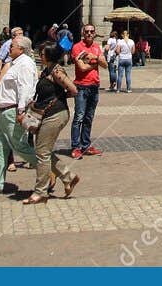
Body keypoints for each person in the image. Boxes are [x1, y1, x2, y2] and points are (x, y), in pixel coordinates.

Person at [23, 42, 81, 205]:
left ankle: (40, 192)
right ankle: (69, 177)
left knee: (42, 153)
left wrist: (60, 97)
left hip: (56, 114)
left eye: (41, 54)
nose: (39, 56)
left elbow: (74, 90)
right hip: (47, 114)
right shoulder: (47, 70)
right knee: (43, 151)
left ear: (48, 55)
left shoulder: (56, 70)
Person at [0, 36, 39, 195]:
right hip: (3, 112)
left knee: (20, 147)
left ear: (21, 49)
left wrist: (20, 111)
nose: (8, 48)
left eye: (12, 46)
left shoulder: (25, 64)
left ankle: (48, 169)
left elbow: (25, 88)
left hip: (13, 111)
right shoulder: (15, 63)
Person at [70, 23, 105, 157]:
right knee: (79, 117)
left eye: (91, 31)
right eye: (87, 31)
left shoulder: (96, 47)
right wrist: (96, 63)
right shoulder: (77, 47)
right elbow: (82, 68)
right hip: (81, 86)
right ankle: (75, 147)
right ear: (83, 33)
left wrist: (92, 58)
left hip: (94, 86)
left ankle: (86, 145)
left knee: (89, 118)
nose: (89, 34)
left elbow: (105, 65)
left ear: (94, 33)